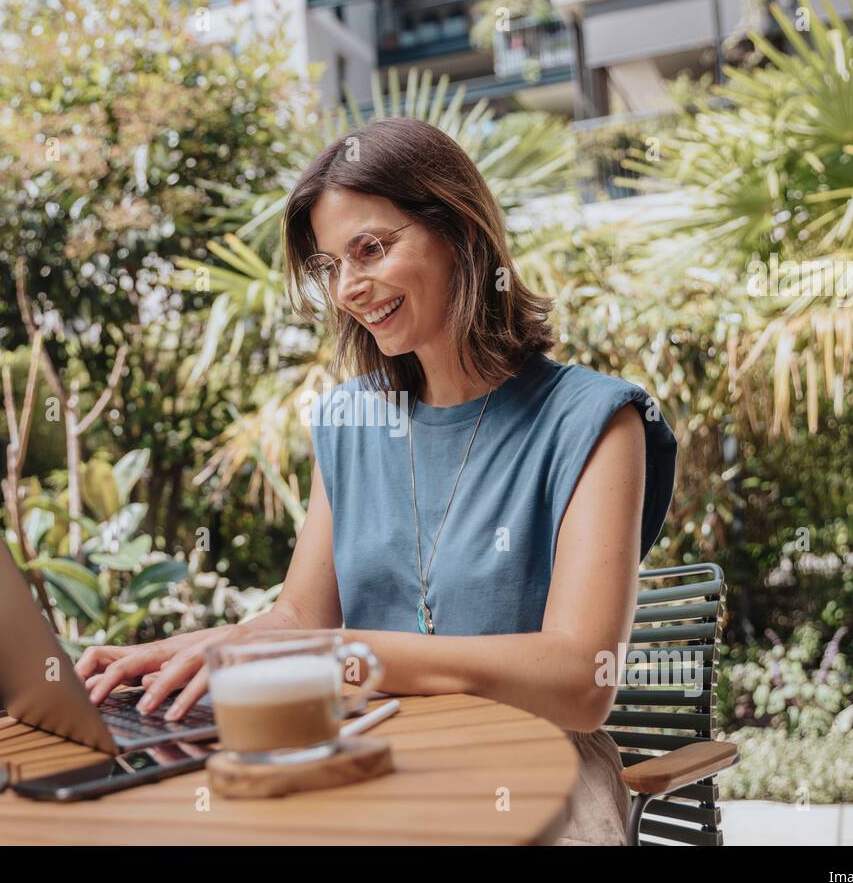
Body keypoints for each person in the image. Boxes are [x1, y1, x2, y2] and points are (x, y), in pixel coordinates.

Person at [75, 118, 677, 844]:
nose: (350, 288)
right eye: (331, 267)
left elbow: (581, 683)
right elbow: (301, 620)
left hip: (537, 770)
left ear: (458, 232)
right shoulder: (350, 420)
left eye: (371, 249)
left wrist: (346, 657)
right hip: (372, 756)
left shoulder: (595, 419)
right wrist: (194, 651)